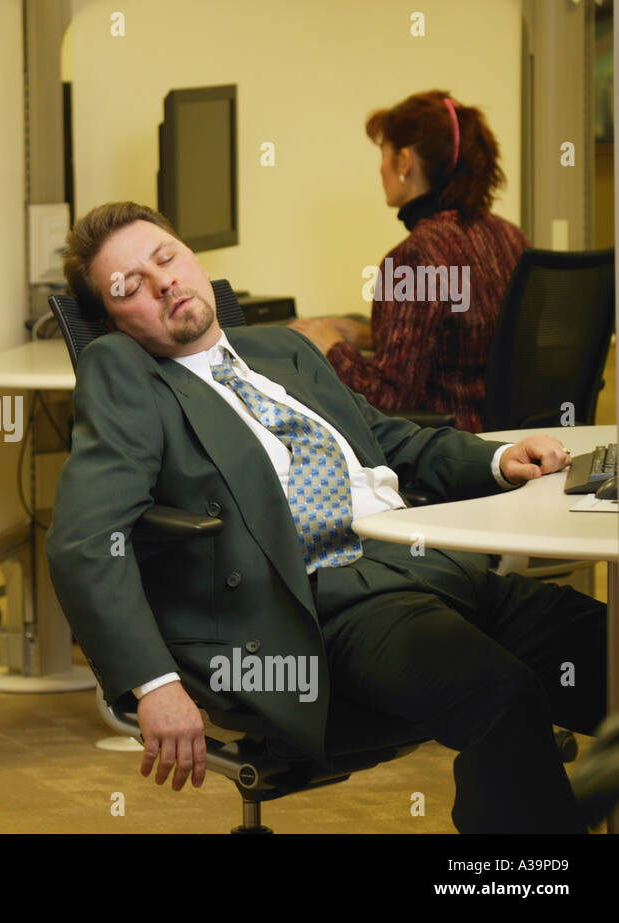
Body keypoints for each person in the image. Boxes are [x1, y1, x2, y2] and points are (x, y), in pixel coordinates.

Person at [46, 201, 605, 833]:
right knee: (501, 697)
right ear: (112, 321)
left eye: (166, 257)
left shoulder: (282, 348)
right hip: (328, 601)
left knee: (607, 657)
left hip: (436, 567)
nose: (163, 282)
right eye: (129, 287)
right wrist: (153, 683)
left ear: (192, 258)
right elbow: (85, 540)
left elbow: (387, 440)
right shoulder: (125, 373)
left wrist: (502, 459)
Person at [288, 91, 527, 432]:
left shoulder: (414, 258)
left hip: (449, 450)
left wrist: (331, 347)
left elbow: (390, 401)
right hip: (511, 439)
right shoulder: (509, 237)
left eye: (383, 155)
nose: (380, 169)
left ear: (404, 162)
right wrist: (372, 336)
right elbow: (470, 341)